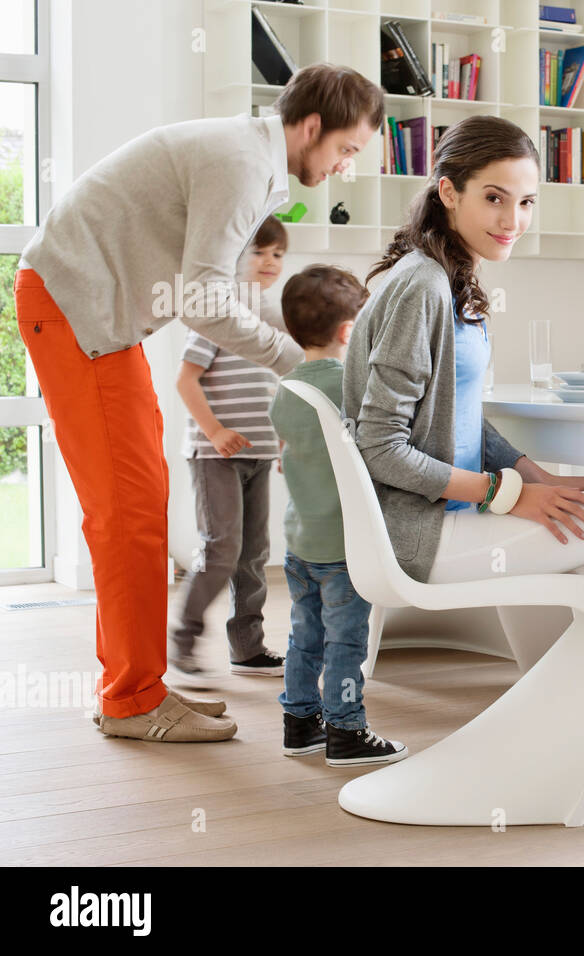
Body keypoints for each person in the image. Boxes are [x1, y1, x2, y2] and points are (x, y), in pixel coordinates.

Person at [13, 64, 384, 742]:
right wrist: (295, 362)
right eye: (347, 149)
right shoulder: (242, 163)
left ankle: (131, 687)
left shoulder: (249, 157)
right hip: (75, 307)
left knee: (137, 504)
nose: (345, 165)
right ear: (310, 128)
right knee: (128, 511)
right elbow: (203, 302)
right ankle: (133, 700)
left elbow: (209, 290)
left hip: (92, 313)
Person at [342, 114, 584, 802]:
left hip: (435, 523)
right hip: (417, 536)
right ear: (448, 192)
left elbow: (464, 421)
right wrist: (506, 495)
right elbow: (381, 446)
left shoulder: (443, 276)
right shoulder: (423, 289)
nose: (513, 218)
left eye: (526, 202)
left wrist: (538, 477)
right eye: (494, 197)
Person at [270, 264, 408, 766]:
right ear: (350, 332)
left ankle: (300, 722)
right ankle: (346, 730)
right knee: (346, 641)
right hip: (343, 546)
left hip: (300, 541)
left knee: (304, 636)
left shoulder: (286, 390)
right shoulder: (351, 386)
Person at [170, 216, 290, 680]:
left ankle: (247, 647)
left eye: (277, 254)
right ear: (233, 257)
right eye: (258, 252)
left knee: (254, 553)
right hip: (213, 453)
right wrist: (216, 431)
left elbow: (278, 382)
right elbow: (186, 380)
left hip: (258, 451)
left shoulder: (271, 317)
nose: (269, 262)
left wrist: (283, 433)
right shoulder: (216, 314)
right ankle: (183, 642)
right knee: (222, 549)